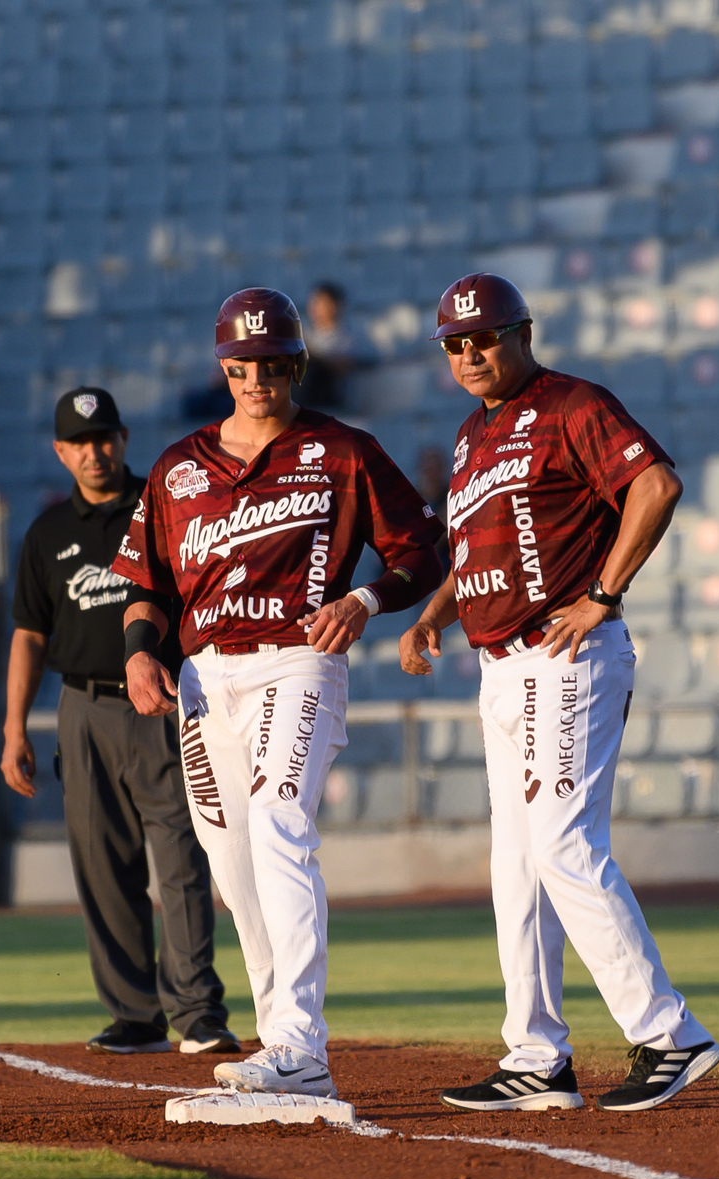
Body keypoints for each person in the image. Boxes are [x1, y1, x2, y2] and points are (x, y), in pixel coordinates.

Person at [399, 274, 719, 1114]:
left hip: (561, 652)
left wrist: (606, 593)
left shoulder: (572, 404)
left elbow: (655, 486)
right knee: (516, 866)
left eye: (485, 337)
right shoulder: (474, 435)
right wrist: (434, 613)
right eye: (455, 344)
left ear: (523, 332)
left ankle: (668, 1033)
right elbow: (470, 552)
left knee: (561, 846)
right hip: (498, 665)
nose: (470, 353)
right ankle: (537, 1056)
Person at [113, 288, 444, 1098]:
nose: (256, 376)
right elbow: (146, 585)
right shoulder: (178, 467)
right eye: (241, 364)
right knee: (232, 867)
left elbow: (422, 551)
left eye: (270, 362)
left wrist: (365, 599)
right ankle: (279, 1046)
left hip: (297, 659)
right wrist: (137, 653)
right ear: (223, 368)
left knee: (278, 825)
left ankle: (301, 1041)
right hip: (202, 678)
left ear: (296, 364)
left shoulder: (343, 451)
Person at [2, 386, 237, 1057]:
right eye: (79, 441)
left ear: (124, 438)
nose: (94, 451)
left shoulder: (158, 505)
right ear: (59, 451)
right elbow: (28, 634)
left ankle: (197, 1013)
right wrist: (16, 729)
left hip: (161, 698)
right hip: (81, 707)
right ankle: (134, 1014)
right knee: (102, 863)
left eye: (104, 437)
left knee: (180, 860)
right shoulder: (48, 533)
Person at [296, 281, 375, 412]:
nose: (315, 307)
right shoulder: (304, 334)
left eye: (321, 302)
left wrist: (316, 357)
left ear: (335, 306)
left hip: (331, 396)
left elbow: (345, 365)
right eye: (314, 302)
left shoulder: (347, 337)